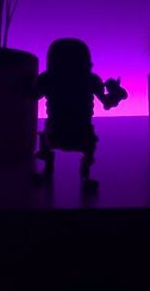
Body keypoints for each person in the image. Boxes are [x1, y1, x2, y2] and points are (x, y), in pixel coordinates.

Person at [33, 38, 127, 193]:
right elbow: (107, 103)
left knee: (46, 137)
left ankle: (49, 165)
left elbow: (32, 95)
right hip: (80, 132)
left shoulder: (48, 79)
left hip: (57, 130)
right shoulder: (91, 80)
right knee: (83, 144)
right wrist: (116, 93)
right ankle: (83, 173)